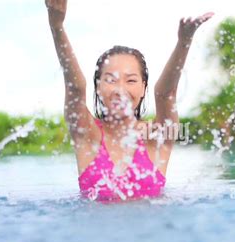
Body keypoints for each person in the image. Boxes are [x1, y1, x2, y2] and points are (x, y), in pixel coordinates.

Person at [45, 0, 213, 201]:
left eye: (131, 80)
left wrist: (184, 42)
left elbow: (166, 94)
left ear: (143, 88)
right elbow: (75, 88)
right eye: (110, 80)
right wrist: (57, 26)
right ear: (98, 87)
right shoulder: (87, 135)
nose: (120, 89)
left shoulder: (157, 137)